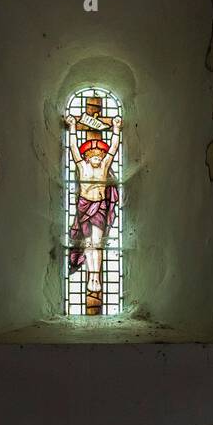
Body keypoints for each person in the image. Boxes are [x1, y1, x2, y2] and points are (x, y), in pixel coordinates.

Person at [65, 113, 122, 296]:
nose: (98, 158)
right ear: (87, 157)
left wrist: (116, 129)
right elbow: (73, 147)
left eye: (100, 155)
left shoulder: (105, 167)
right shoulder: (82, 167)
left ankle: (95, 276)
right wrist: (73, 126)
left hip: (99, 207)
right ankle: (92, 276)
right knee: (89, 243)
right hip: (84, 206)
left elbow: (113, 149)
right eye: (94, 155)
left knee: (96, 243)